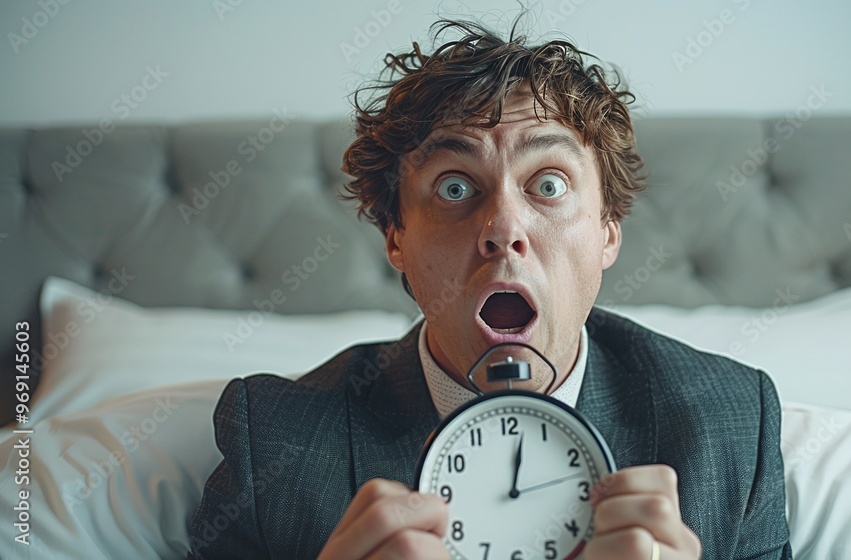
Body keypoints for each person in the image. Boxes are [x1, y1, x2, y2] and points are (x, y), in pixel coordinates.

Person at [188, 18, 791, 560]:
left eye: (548, 185)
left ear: (608, 234)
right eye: (455, 187)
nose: (503, 228)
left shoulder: (730, 423)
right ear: (396, 237)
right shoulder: (273, 439)